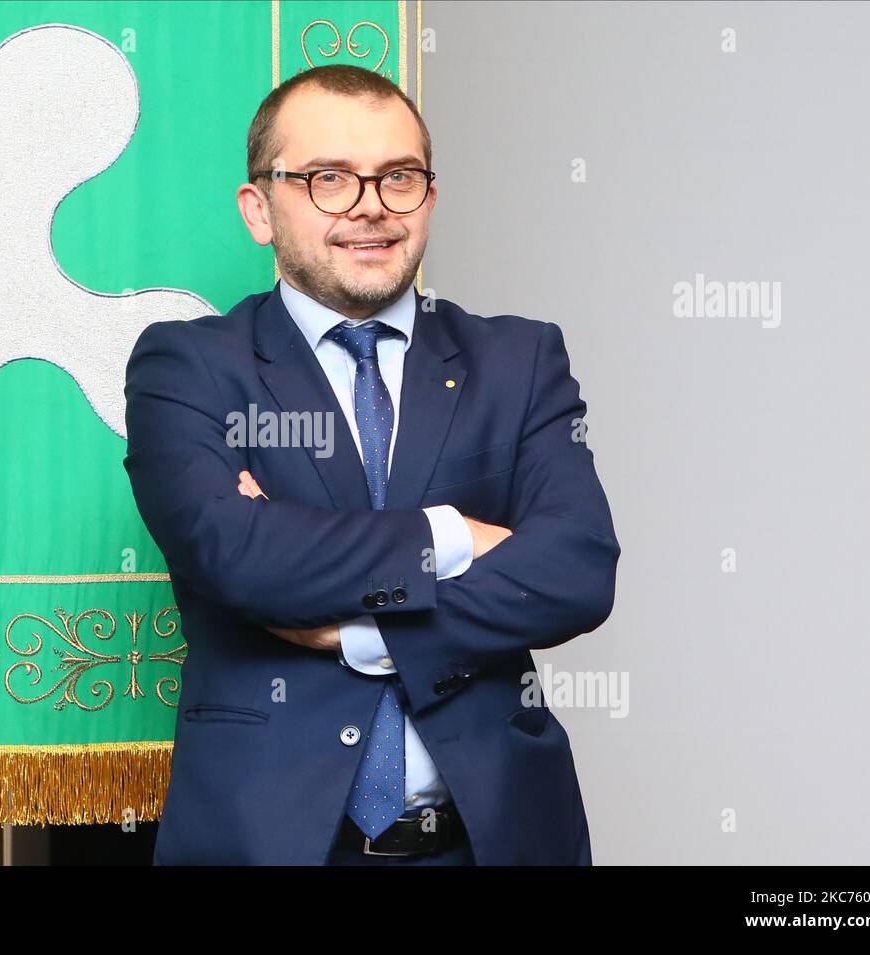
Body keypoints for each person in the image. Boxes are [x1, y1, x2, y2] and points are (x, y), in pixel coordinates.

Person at [123, 63, 620, 865]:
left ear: (429, 196)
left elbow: (576, 568)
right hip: (269, 840)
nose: (369, 207)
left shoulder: (519, 358)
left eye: (398, 177)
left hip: (493, 839)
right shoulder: (188, 365)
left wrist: (362, 633)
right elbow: (233, 553)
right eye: (327, 178)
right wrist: (455, 534)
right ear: (259, 208)